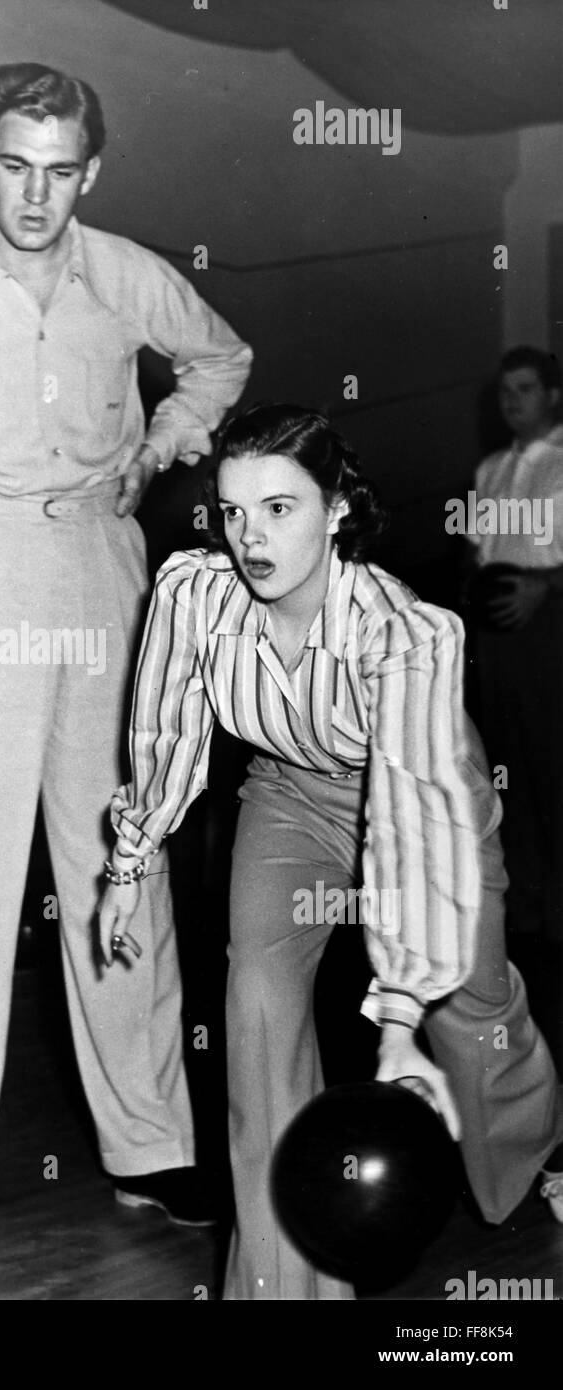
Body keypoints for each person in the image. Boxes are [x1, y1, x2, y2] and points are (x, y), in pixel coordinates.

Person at [100, 403, 563, 1299]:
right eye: (232, 511)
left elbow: (408, 818)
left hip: (424, 799)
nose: (250, 537)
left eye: (279, 508)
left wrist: (395, 1026)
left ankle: (539, 1140)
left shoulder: (402, 633)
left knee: (468, 1013)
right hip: (288, 796)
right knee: (257, 1013)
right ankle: (281, 1289)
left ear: (336, 509)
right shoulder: (194, 595)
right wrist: (129, 866)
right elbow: (166, 738)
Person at [0, 63, 252, 1226]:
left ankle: (149, 1144)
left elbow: (220, 358)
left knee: (120, 854)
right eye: (12, 167)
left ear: (88, 172)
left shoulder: (126, 273)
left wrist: (164, 444)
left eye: (59, 172)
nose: (35, 195)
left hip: (100, 570)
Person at [464, 346, 563, 945]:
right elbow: (475, 555)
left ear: (553, 395)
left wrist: (544, 586)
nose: (511, 402)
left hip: (551, 632)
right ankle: (527, 917)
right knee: (505, 776)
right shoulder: (490, 469)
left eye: (524, 389)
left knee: (554, 769)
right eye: (505, 391)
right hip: (497, 640)